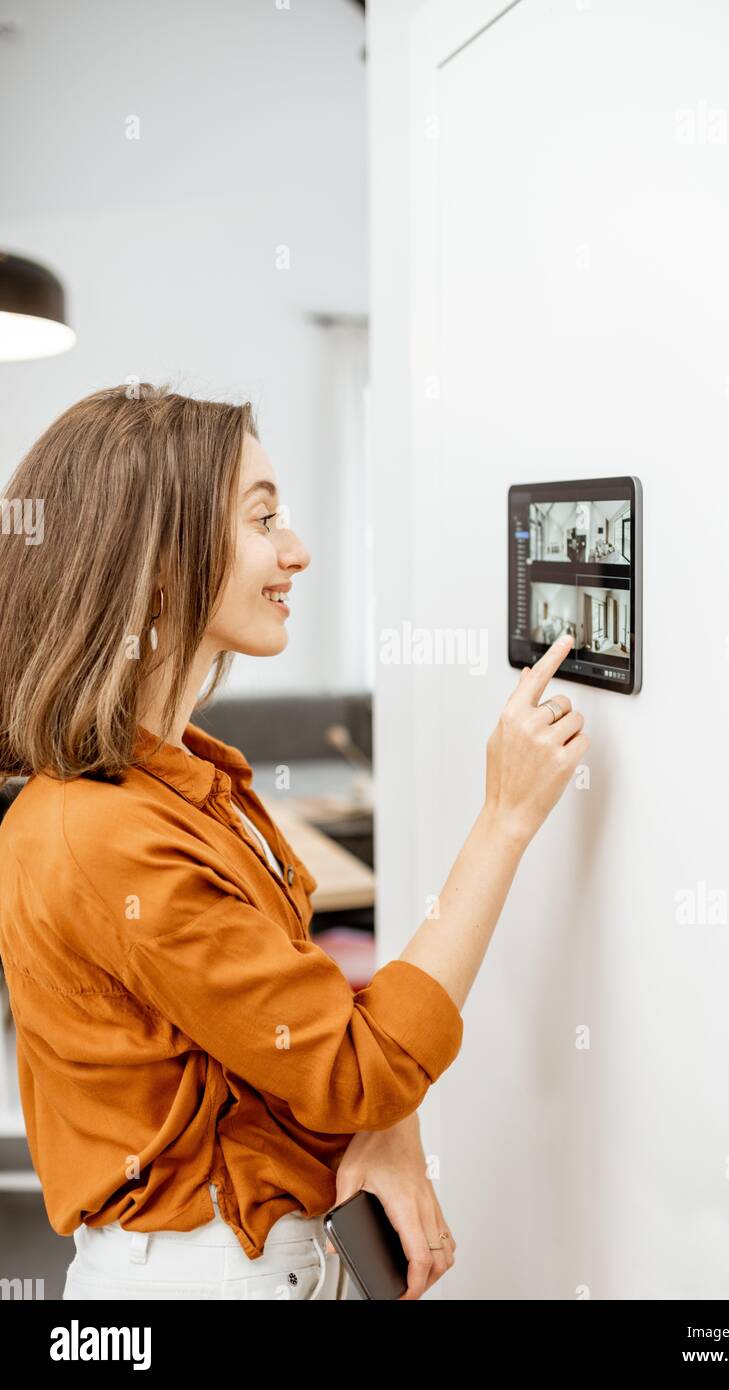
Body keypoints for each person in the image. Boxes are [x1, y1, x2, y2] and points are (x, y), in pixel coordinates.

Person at [0, 384, 590, 1301]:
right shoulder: (102, 834)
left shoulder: (192, 774)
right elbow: (356, 1069)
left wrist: (385, 1125)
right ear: (157, 562)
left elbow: (287, 1034)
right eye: (263, 517)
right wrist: (503, 818)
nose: (296, 550)